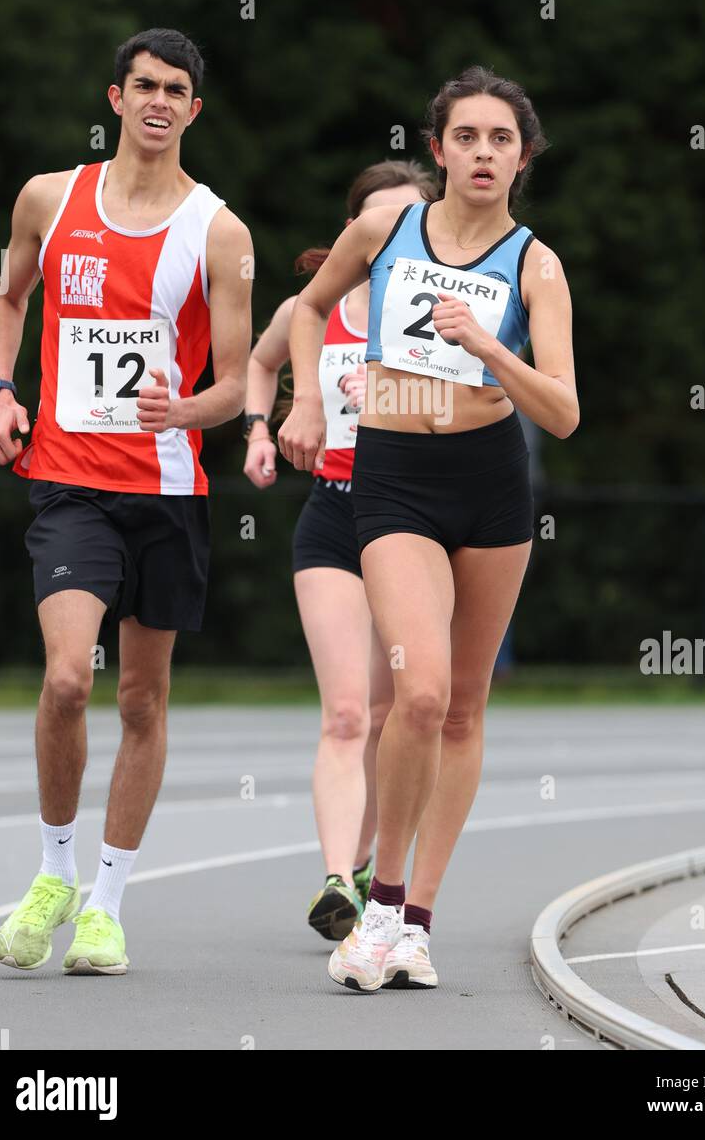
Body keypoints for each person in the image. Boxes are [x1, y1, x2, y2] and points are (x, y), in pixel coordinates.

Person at [278, 66, 579, 991]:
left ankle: (416, 923)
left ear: (521, 158)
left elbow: (563, 412)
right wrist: (311, 408)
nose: (483, 153)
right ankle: (379, 905)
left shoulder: (535, 264)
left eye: (501, 140)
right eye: (467, 137)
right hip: (395, 478)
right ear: (438, 147)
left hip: (490, 483)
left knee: (462, 707)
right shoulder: (385, 228)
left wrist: (491, 348)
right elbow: (310, 308)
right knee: (414, 695)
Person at [0, 28, 252, 975]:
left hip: (167, 492)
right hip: (68, 484)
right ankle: (55, 866)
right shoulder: (50, 199)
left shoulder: (219, 232)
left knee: (142, 699)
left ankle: (106, 901)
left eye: (177, 89)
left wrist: (187, 406)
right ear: (115, 97)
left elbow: (238, 381)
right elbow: (9, 299)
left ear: (194, 109)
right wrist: (2, 392)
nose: (159, 102)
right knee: (67, 678)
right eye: (144, 85)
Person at [243, 161, 437, 940]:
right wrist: (262, 429)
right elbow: (260, 365)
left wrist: (392, 397)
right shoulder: (310, 311)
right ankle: (334, 881)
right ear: (352, 232)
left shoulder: (439, 311)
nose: (395, 235)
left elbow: (483, 408)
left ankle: (365, 865)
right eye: (380, 222)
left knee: (398, 711)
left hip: (416, 522)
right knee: (348, 711)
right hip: (333, 514)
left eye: (412, 220)